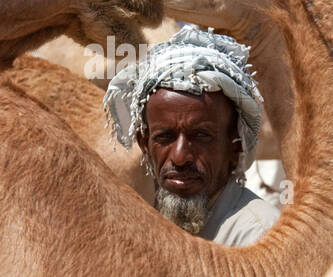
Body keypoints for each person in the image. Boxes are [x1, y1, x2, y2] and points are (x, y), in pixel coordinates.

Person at [104, 26, 280, 245]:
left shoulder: (258, 237)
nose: (180, 157)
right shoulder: (140, 226)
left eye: (200, 136)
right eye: (165, 137)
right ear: (144, 144)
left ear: (235, 145)